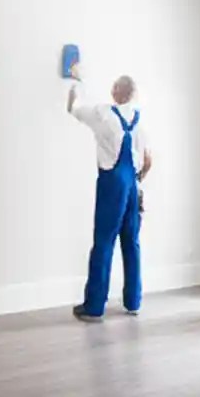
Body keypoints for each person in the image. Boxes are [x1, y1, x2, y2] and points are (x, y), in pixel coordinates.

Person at [66, 64, 152, 322]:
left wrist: (76, 81)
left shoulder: (104, 114)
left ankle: (94, 306)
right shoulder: (139, 121)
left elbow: (74, 108)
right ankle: (133, 301)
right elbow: (148, 161)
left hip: (111, 183)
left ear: (116, 91)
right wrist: (137, 182)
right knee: (131, 242)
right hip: (132, 184)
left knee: (103, 242)